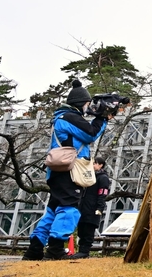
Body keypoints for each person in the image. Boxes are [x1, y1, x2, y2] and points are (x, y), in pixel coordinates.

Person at [22, 80, 109, 261]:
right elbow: (91, 133)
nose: (88, 107)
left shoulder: (62, 117)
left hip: (58, 171)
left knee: (54, 210)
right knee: (70, 208)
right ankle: (55, 248)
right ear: (80, 103)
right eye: (87, 104)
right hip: (68, 171)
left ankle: (35, 248)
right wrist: (103, 117)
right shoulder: (69, 117)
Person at [70, 156, 110, 259]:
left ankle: (85, 251)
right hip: (83, 206)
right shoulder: (90, 176)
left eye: (95, 163)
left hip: (93, 208)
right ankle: (81, 250)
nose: (93, 165)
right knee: (82, 228)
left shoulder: (103, 178)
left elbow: (102, 193)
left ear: (101, 165)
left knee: (89, 229)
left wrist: (100, 208)